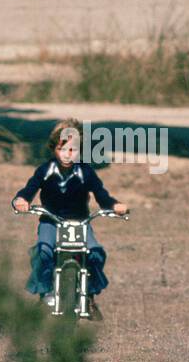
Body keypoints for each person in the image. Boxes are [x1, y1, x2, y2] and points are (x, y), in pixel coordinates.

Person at [12, 118, 129, 305]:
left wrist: (114, 206)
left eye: (72, 150)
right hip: (51, 221)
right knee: (44, 251)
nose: (67, 155)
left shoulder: (86, 172)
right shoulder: (45, 170)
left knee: (95, 253)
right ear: (53, 149)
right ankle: (45, 290)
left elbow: (101, 195)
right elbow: (29, 189)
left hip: (80, 222)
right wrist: (21, 200)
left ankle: (88, 293)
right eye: (61, 149)